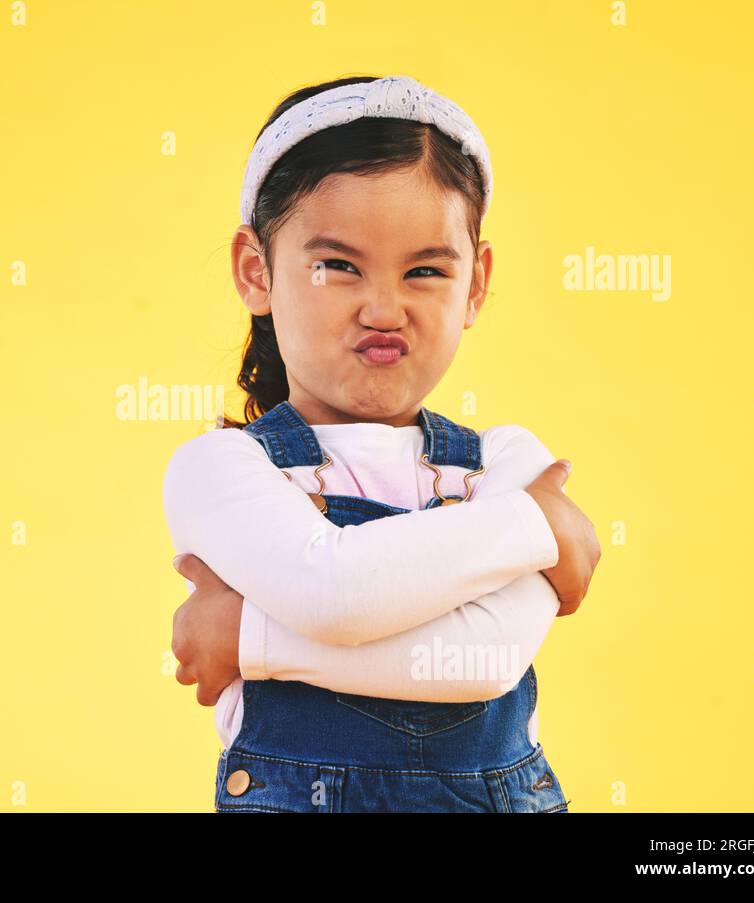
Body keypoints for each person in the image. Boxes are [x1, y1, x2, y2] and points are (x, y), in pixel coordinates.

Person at [162, 75, 601, 812]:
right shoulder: (221, 471)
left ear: (477, 283)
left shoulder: (508, 461)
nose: (384, 306)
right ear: (256, 270)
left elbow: (484, 658)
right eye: (337, 265)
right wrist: (535, 524)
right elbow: (332, 592)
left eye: (425, 270)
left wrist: (252, 637)